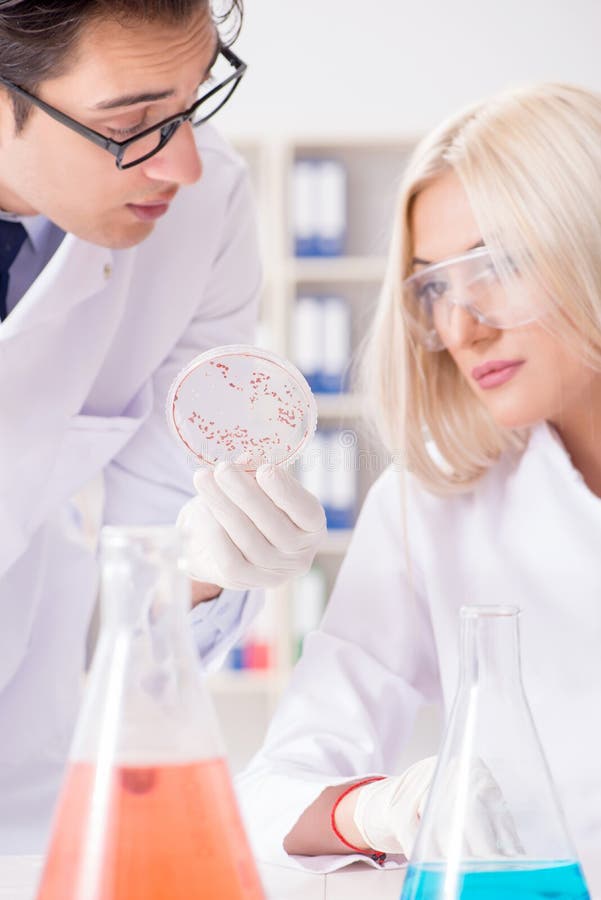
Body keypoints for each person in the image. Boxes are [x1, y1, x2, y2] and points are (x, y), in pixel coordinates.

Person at [237, 81, 601, 876]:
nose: (461, 325)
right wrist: (374, 808)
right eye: (434, 285)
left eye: (497, 264)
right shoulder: (428, 508)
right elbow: (269, 795)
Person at [0, 0, 324, 852]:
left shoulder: (202, 205)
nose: (179, 162)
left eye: (192, 101)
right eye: (136, 122)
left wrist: (208, 571)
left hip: (28, 784)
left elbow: (160, 570)